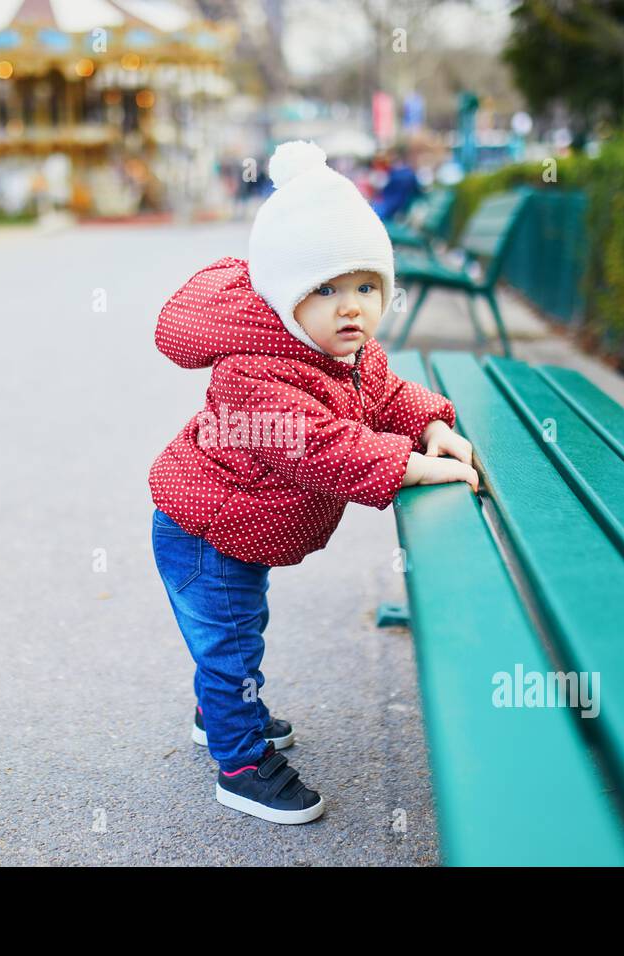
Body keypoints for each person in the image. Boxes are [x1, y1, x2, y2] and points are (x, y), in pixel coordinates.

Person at [148, 140, 478, 824]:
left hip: (240, 528)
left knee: (239, 631)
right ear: (284, 294)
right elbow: (321, 448)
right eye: (324, 290)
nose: (349, 307)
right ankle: (239, 765)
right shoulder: (254, 373)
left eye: (364, 286)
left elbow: (386, 396)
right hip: (204, 533)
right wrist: (407, 468)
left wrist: (432, 426)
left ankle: (223, 714)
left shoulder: (343, 351)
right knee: (232, 640)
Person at [371, 143, 423, 221]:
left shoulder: (394, 172)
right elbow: (418, 192)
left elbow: (382, 190)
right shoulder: (409, 173)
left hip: (388, 208)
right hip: (397, 208)